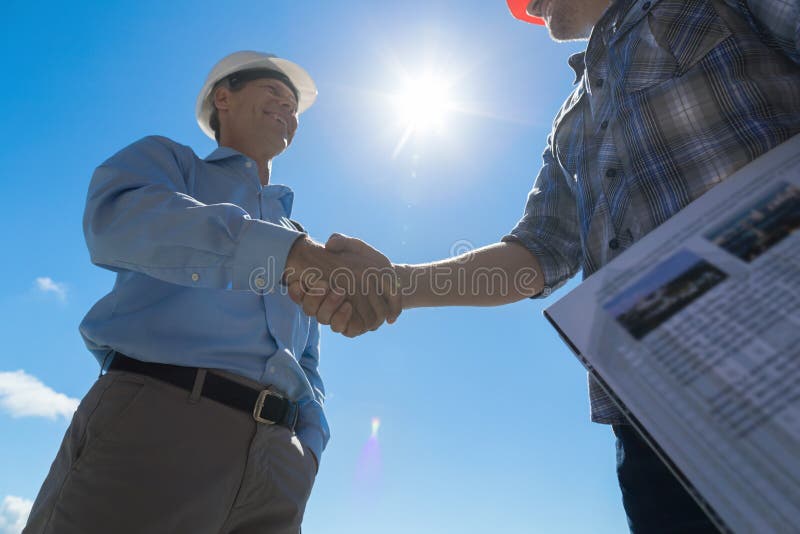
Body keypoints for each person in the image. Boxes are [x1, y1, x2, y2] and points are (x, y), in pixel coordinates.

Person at [289, 0, 800, 531]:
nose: (527, 6)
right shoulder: (568, 124)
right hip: (654, 420)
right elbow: (537, 252)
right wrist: (395, 283)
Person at [23, 50, 400, 534]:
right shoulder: (172, 165)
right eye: (275, 94)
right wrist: (287, 254)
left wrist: (308, 444)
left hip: (277, 467)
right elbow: (114, 222)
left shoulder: (297, 234)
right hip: (156, 426)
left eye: (294, 107)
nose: (287, 109)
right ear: (224, 96)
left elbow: (305, 360)